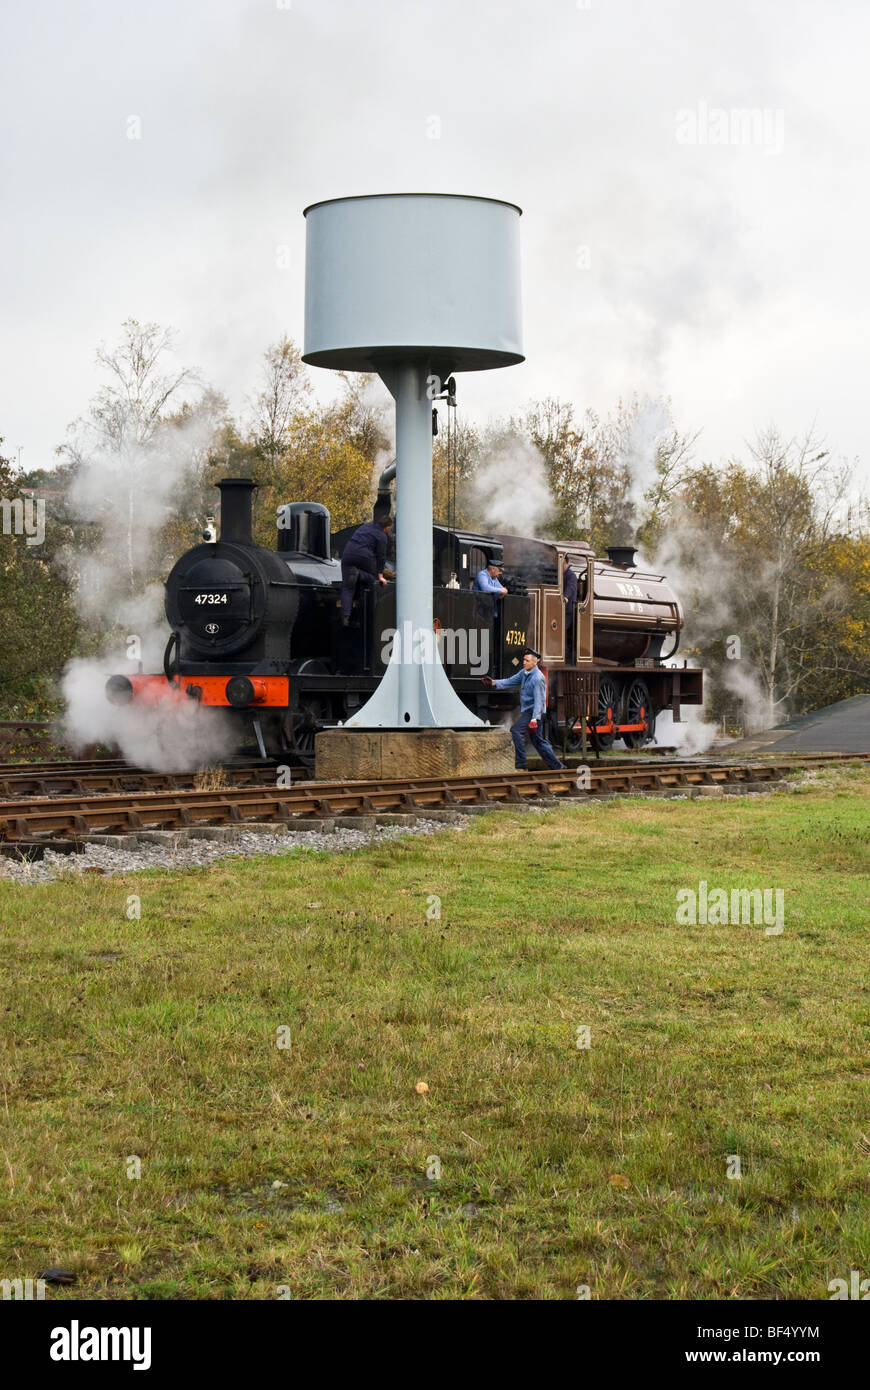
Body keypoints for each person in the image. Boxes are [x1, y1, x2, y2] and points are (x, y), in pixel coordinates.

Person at [483, 648, 567, 770]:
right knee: (539, 742)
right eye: (524, 660)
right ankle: (558, 767)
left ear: (534, 663)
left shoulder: (538, 678)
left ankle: (521, 761)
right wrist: (493, 683)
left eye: (527, 661)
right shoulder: (524, 673)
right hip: (530, 712)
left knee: (516, 731)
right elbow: (510, 681)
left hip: (533, 712)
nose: (524, 662)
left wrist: (534, 719)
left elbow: (539, 700)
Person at [340, 514, 393, 625]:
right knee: (372, 578)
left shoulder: (366, 526)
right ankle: (360, 575)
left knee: (347, 587)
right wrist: (380, 576)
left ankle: (345, 618)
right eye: (390, 528)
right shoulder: (382, 536)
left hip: (347, 554)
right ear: (387, 527)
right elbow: (381, 556)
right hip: (364, 557)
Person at [563, 555, 578, 659]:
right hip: (560, 608)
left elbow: (571, 587)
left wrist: (566, 596)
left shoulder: (571, 575)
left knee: (562, 630)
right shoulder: (560, 574)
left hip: (568, 609)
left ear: (566, 563)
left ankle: (565, 654)